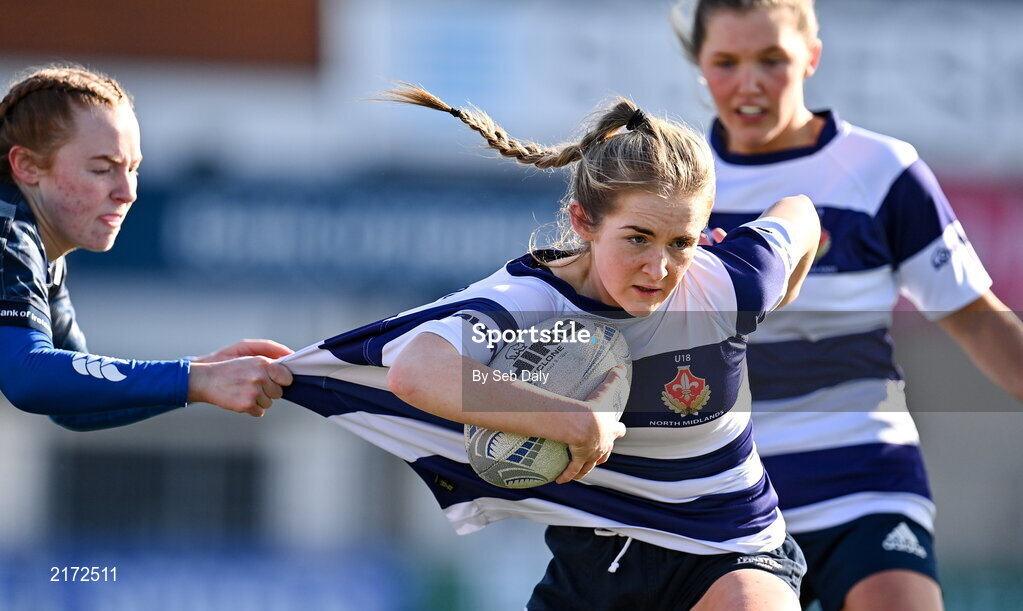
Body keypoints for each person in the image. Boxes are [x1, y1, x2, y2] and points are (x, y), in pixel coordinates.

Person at [282, 83, 821, 610]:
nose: (658, 268)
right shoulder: (528, 301)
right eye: (637, 237)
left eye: (680, 242)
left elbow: (802, 212)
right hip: (594, 565)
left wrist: (777, 296)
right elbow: (416, 370)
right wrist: (572, 423)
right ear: (583, 221)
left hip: (733, 548)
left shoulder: (733, 284)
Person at [671, 1, 1023, 609]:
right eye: (727, 61)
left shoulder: (881, 170)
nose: (749, 82)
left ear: (811, 57)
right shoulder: (675, 187)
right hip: (727, 493)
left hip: (866, 477)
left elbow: (977, 320)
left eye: (772, 59)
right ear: (700, 67)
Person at [0, 64, 294, 430]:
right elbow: (27, 376)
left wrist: (203, 370)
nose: (128, 192)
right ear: (26, 165)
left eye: (133, 169)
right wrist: (195, 380)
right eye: (102, 169)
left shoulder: (38, 247)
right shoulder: (9, 231)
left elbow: (74, 403)